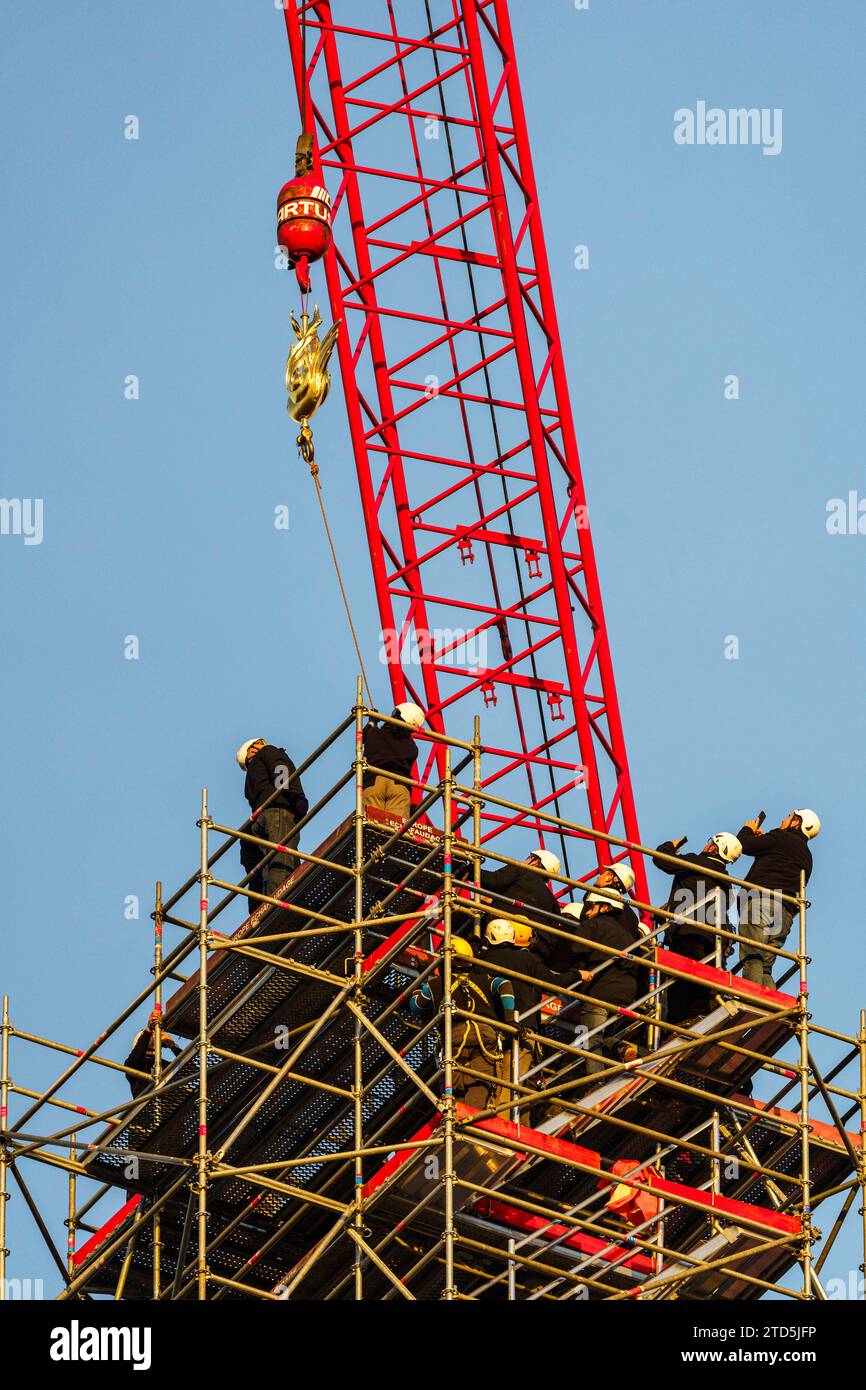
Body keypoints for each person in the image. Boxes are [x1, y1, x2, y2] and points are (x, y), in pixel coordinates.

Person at [409, 936, 511, 1113]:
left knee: (453, 1090)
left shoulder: (435, 985)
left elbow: (416, 1005)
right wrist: (510, 1019)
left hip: (454, 1037)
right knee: (482, 1083)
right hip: (484, 1035)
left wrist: (421, 982)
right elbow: (504, 985)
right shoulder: (485, 979)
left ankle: (456, 1122)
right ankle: (473, 1121)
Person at [651, 832, 741, 1024]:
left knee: (680, 983)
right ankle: (698, 1018)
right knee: (702, 982)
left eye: (711, 842)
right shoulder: (726, 882)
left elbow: (660, 859)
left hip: (687, 933)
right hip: (713, 940)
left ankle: (678, 1024)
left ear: (714, 848)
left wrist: (671, 845)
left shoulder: (697, 862)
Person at [559, 881, 643, 1075]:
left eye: (591, 907)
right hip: (626, 994)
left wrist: (575, 977)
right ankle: (623, 1048)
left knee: (592, 1038)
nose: (587, 912)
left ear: (604, 907)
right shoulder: (627, 936)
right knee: (606, 1035)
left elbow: (577, 953)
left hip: (600, 990)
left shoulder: (592, 925)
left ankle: (595, 1080)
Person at [736, 809, 820, 987]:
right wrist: (766, 839)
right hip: (786, 914)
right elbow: (778, 860)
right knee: (765, 966)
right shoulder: (806, 854)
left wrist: (748, 830)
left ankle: (750, 999)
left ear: (796, 823)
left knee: (752, 956)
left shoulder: (780, 837)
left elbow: (745, 844)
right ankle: (769, 1007)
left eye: (789, 816)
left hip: (762, 901)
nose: (783, 818)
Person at [480, 918, 554, 1113]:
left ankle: (515, 1122)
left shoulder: (481, 961)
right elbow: (555, 982)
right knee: (513, 1082)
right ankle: (502, 1122)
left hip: (492, 1027)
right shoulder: (527, 960)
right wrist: (578, 974)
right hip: (523, 1026)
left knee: (499, 1079)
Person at [236, 738, 309, 900]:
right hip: (277, 811)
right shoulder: (268, 752)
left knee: (268, 865)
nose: (264, 743)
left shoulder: (251, 777)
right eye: (260, 742)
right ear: (253, 749)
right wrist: (294, 795)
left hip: (259, 819)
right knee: (282, 859)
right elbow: (280, 769)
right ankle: (279, 900)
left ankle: (266, 902)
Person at [476, 848, 562, 966]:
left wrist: (466, 870)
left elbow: (494, 881)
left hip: (500, 938)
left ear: (535, 861)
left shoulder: (522, 871)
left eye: (529, 857)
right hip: (530, 954)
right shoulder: (553, 903)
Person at [362, 703, 424, 819]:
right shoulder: (412, 747)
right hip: (399, 786)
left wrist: (372, 721)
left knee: (373, 824)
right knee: (395, 828)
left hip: (374, 782)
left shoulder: (375, 734)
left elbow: (363, 736)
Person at [124, 1011, 182, 1099]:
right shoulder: (133, 1064)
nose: (155, 1038)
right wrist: (149, 1030)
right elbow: (137, 1054)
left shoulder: (164, 1065)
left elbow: (191, 1066)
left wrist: (173, 1047)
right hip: (146, 1102)